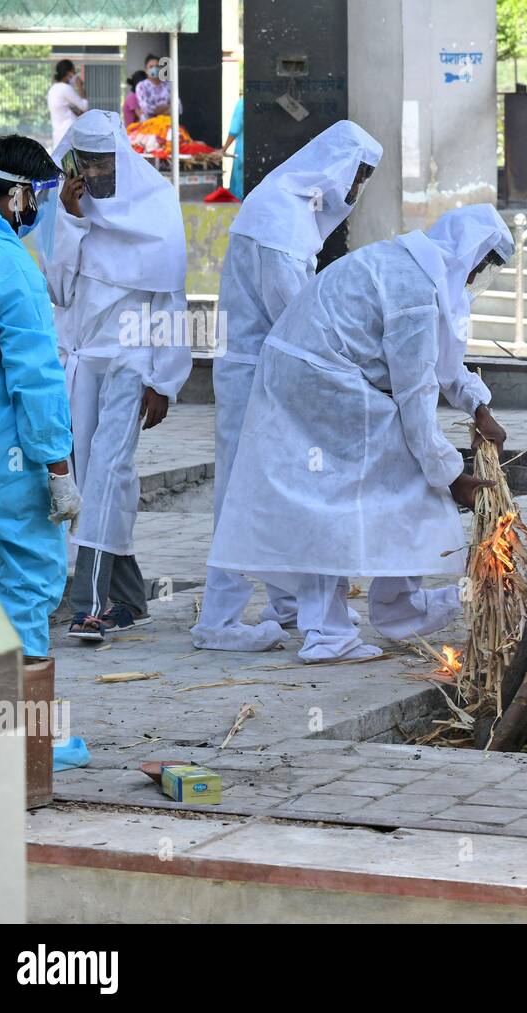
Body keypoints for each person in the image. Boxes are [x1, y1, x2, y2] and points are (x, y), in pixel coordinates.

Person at [207, 205, 513, 663]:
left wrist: (478, 405)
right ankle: (340, 631)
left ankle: (383, 610)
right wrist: (452, 477)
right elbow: (416, 392)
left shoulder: (414, 268)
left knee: (329, 497)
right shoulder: (414, 288)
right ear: (468, 253)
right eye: (483, 263)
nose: (478, 276)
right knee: (377, 484)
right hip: (322, 380)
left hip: (309, 374)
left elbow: (439, 361)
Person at [191, 120, 382, 653]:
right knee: (241, 495)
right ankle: (219, 620)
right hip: (257, 374)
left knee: (273, 488)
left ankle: (289, 604)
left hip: (268, 373)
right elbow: (297, 318)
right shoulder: (279, 220)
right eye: (358, 175)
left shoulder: (289, 209)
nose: (356, 190)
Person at [39, 110, 191, 644]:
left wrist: (164, 381)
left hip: (131, 364)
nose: (98, 173)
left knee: (108, 473)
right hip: (80, 363)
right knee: (83, 477)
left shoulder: (156, 206)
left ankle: (92, 604)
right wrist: (73, 220)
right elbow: (58, 291)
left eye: (105, 163)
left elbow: (170, 300)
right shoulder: (70, 211)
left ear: (119, 159)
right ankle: (128, 597)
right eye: (87, 164)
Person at [0, 136, 82, 661]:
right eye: (38, 200)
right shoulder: (11, 267)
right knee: (25, 590)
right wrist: (59, 471)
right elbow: (37, 381)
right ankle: (23, 739)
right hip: (4, 467)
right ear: (17, 196)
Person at [46, 59, 89, 150]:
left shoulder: (53, 89)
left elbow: (72, 111)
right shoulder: (65, 88)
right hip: (69, 135)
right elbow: (84, 106)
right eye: (74, 72)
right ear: (69, 73)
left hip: (58, 135)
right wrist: (80, 87)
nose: (75, 76)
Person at [134, 54, 178, 119]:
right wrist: (167, 107)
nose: (155, 69)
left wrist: (157, 111)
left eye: (157, 66)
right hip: (148, 125)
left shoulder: (169, 85)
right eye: (151, 67)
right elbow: (146, 109)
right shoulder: (141, 86)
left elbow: (178, 107)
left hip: (167, 124)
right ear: (146, 70)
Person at [222, 96, 244, 198]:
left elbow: (234, 130)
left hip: (243, 153)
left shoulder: (242, 104)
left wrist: (224, 149)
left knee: (239, 192)